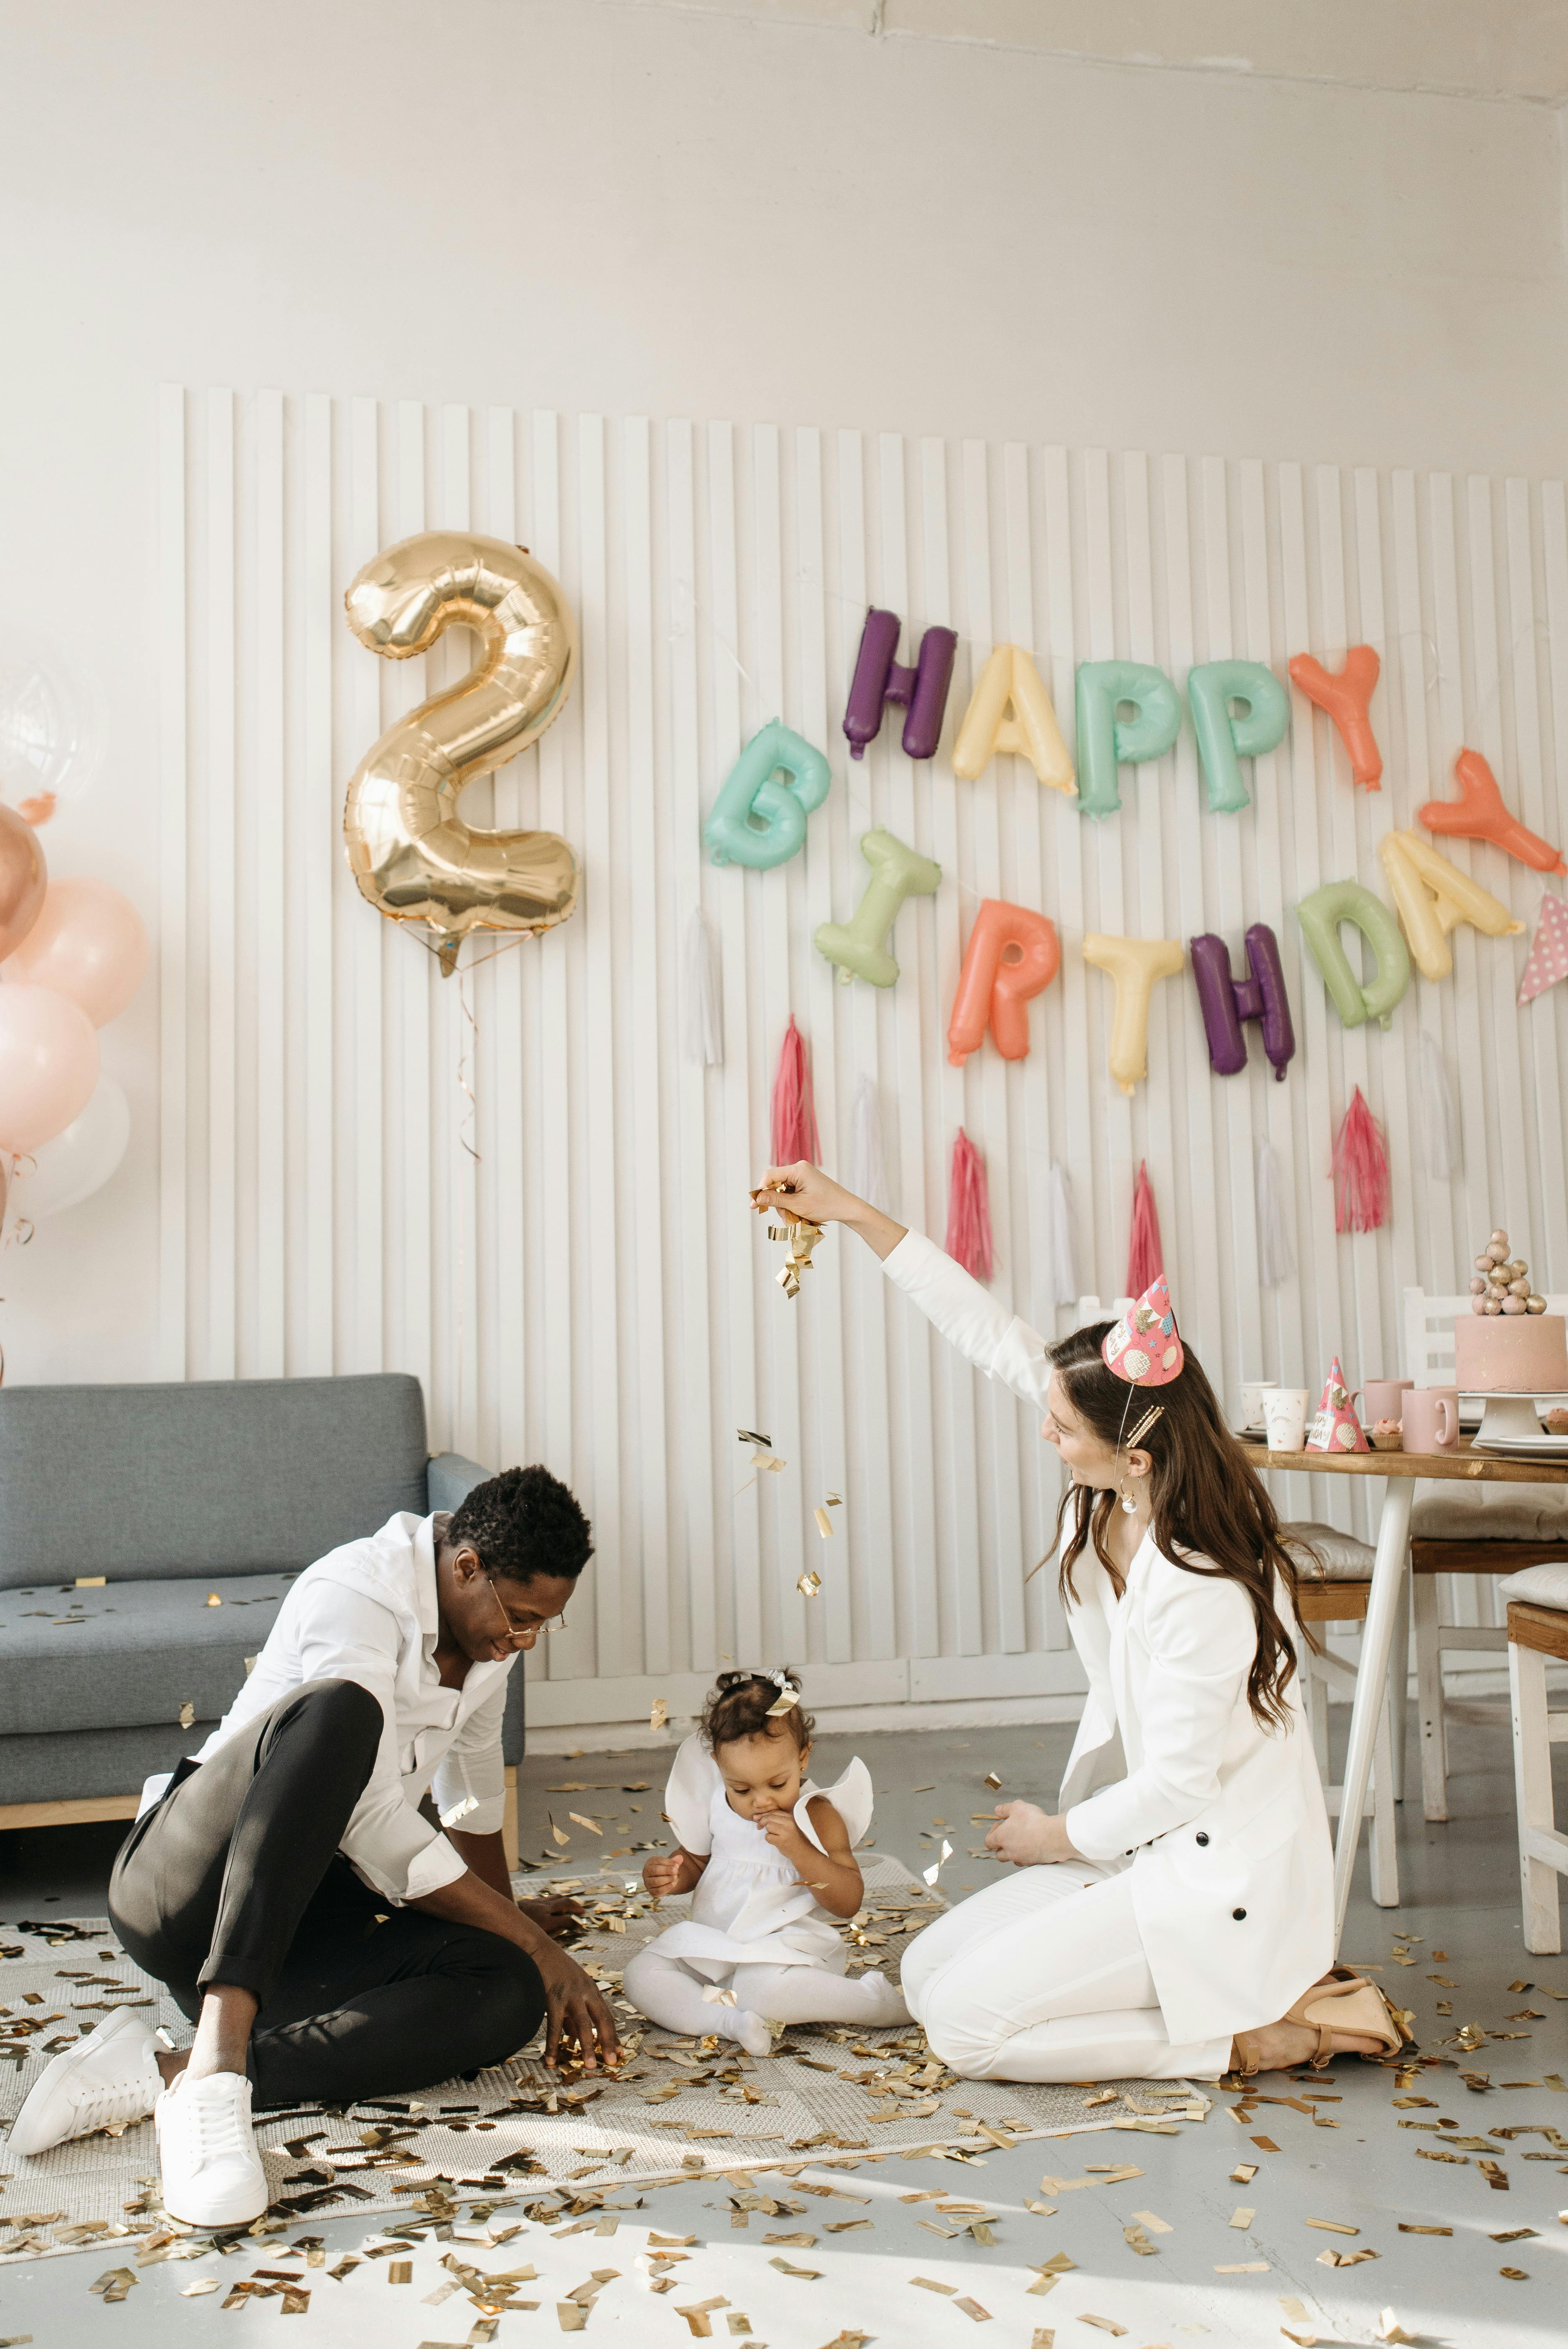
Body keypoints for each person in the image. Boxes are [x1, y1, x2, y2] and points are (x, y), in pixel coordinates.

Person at [748, 1165, 1404, 2086]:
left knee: (963, 2029)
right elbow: (987, 1332)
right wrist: (850, 1212)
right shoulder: (1113, 1486)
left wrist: (1054, 1834)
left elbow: (1176, 1783)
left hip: (1216, 1881)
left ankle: (1250, 2037)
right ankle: (1178, 2001)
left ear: (1132, 1455)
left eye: (1059, 1427)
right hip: (1142, 1850)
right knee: (924, 1975)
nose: (1043, 1431)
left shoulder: (1203, 1582)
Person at [10, 1465, 620, 2227]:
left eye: (541, 1625)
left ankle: (165, 2071)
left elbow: (470, 1787)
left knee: (504, 1988)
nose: (522, 1639)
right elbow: (367, 1812)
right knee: (342, 1713)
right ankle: (218, 2067)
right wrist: (535, 1940)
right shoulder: (356, 1590)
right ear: (467, 1567)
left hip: (305, 1917)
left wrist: (510, 1928)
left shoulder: (489, 1639)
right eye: (520, 1617)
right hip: (190, 1891)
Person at [624, 1666, 908, 2057]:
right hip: (717, 1944)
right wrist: (671, 1876)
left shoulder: (817, 1815)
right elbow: (695, 1862)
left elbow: (848, 1901)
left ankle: (872, 2001)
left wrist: (799, 1849)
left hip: (785, 1953)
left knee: (764, 1993)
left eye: (777, 1784)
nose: (760, 1801)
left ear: (803, 1759)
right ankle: (730, 2022)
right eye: (741, 1789)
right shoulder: (716, 1804)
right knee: (642, 1974)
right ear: (719, 1767)